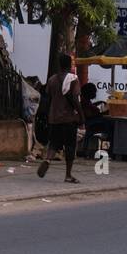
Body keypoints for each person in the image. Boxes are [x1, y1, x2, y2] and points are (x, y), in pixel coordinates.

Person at [36, 54, 83, 184]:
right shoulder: (73, 79)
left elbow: (48, 96)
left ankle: (48, 159)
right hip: (69, 118)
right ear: (69, 65)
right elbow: (75, 99)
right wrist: (81, 116)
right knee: (69, 146)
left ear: (59, 65)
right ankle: (68, 175)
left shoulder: (52, 80)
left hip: (54, 117)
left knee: (54, 143)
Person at [20, 74, 42, 162]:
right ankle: (28, 152)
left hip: (29, 117)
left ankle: (29, 152)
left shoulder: (31, 93)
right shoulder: (33, 94)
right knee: (29, 134)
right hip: (29, 118)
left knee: (30, 134)